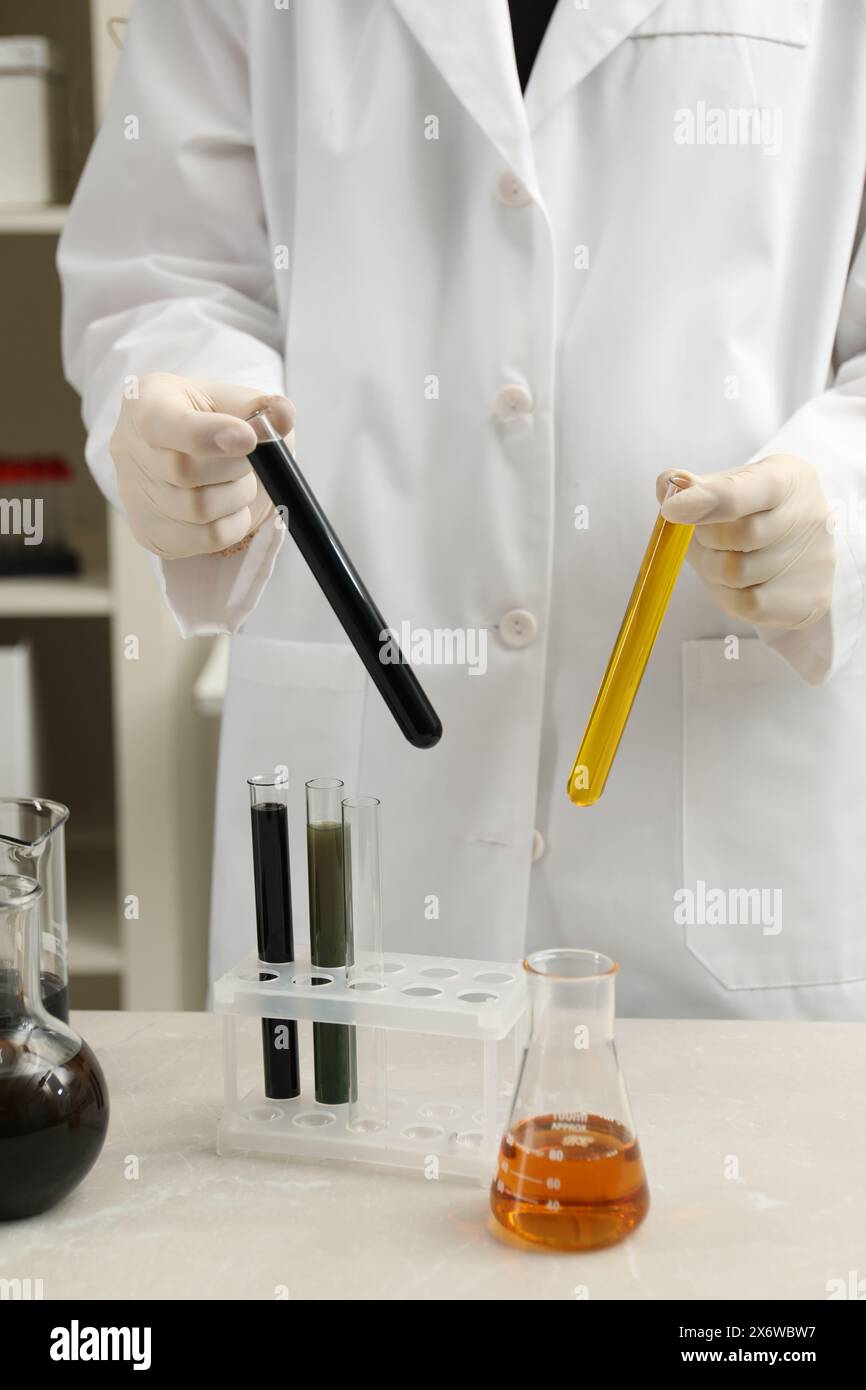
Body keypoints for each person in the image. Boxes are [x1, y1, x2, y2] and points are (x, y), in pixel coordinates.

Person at [59, 0, 866, 1019]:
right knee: (335, 1157)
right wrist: (181, 405)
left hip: (726, 819)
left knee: (736, 1172)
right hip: (374, 808)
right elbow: (161, 268)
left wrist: (838, 502)